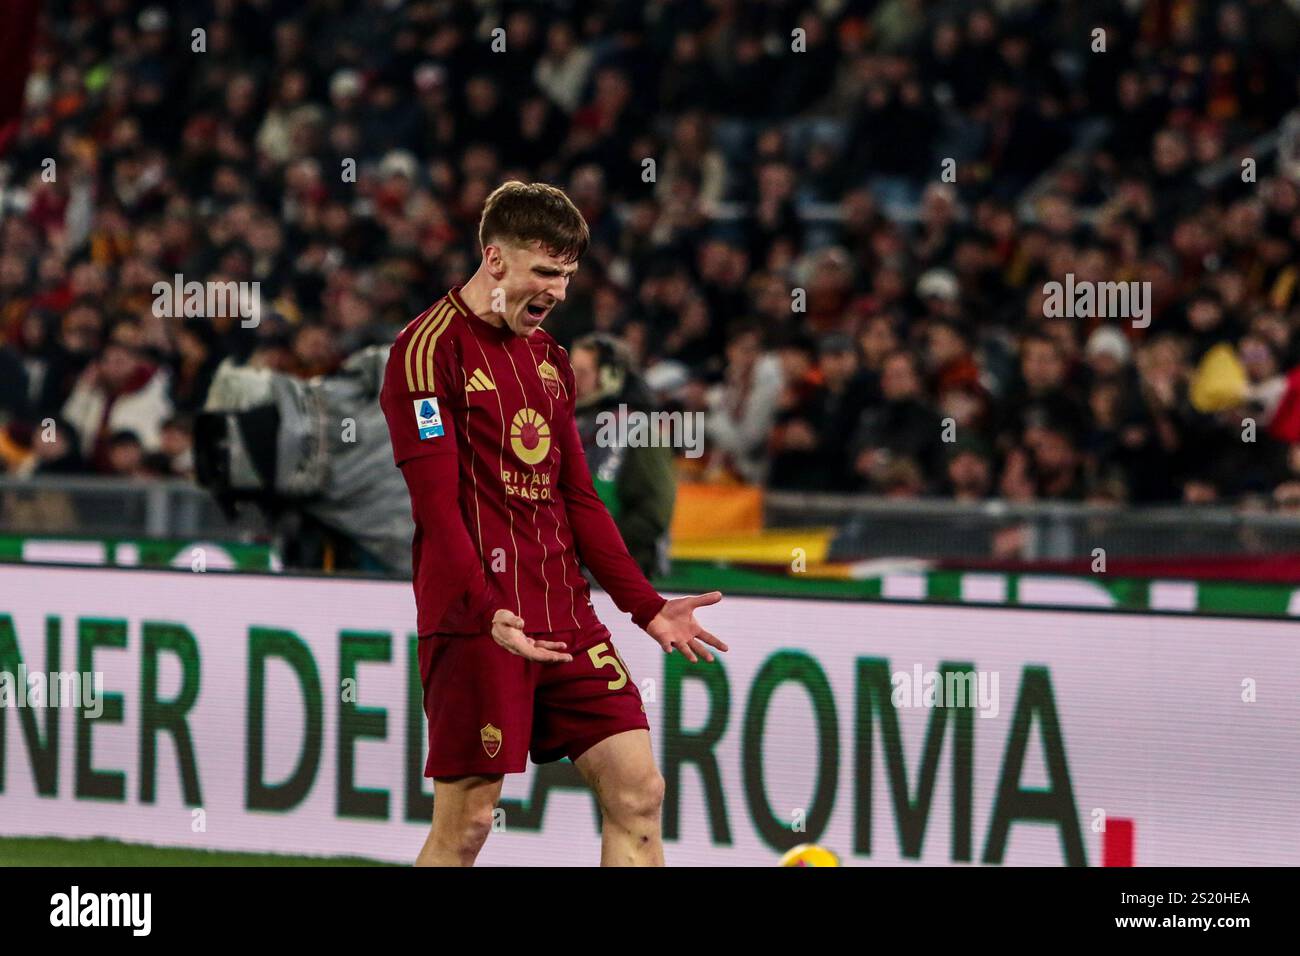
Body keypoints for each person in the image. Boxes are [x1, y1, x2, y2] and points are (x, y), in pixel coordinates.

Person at [379, 181, 725, 867]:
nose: (559, 291)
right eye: (545, 271)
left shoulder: (550, 361)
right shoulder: (425, 352)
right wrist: (485, 611)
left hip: (567, 619)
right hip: (480, 624)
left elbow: (579, 498)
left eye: (567, 275)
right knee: (470, 823)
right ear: (495, 260)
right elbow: (436, 508)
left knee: (639, 793)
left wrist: (645, 606)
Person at [572, 332, 676, 579]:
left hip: (624, 577)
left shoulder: (641, 431)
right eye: (571, 369)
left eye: (582, 372)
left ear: (612, 377)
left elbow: (653, 516)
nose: (571, 379)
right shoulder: (571, 425)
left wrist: (590, 546)